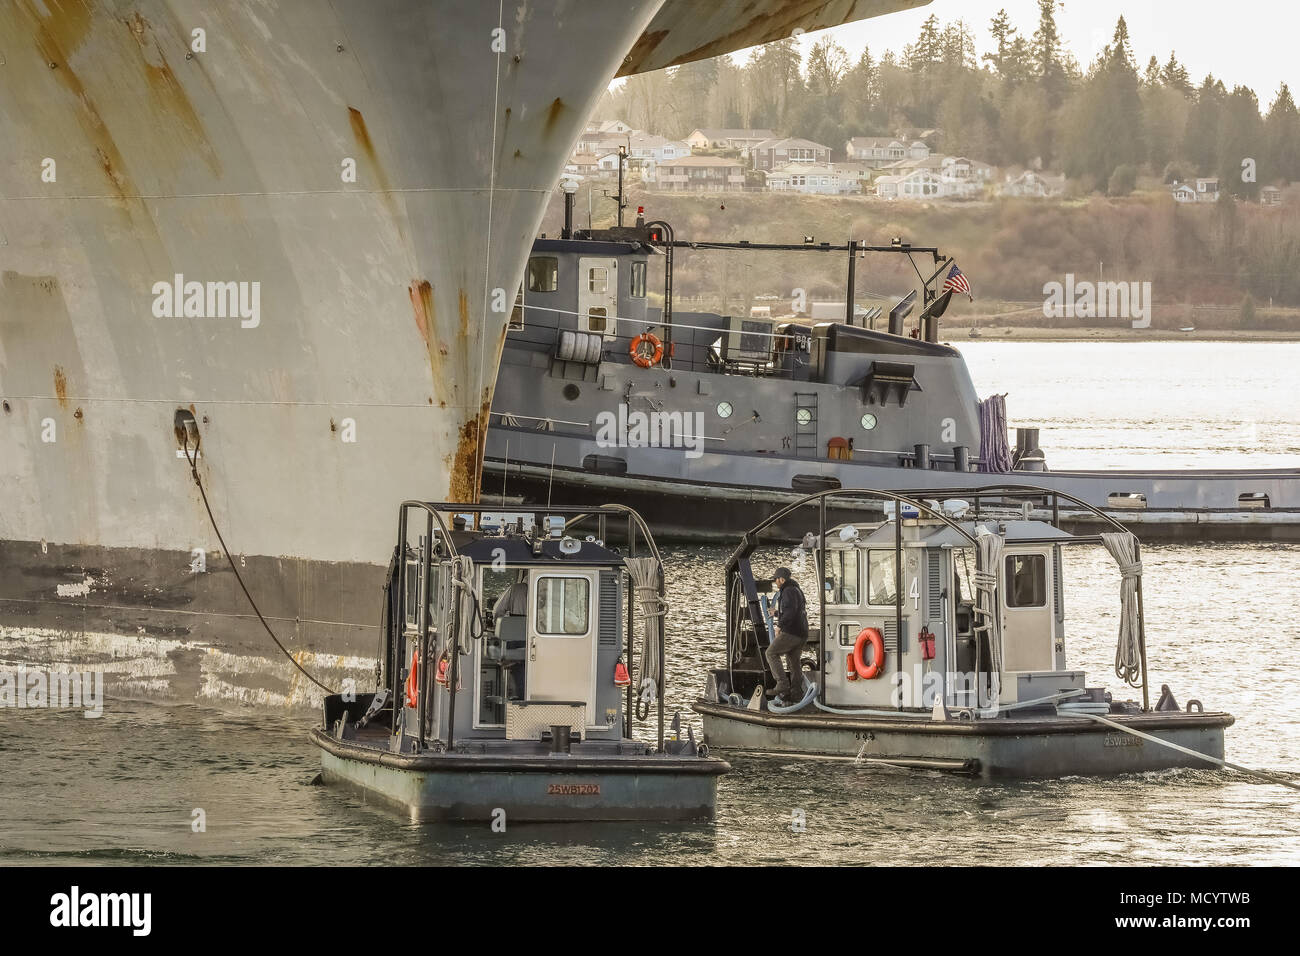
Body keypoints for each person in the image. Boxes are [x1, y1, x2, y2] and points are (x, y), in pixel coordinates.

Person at [765, 567, 809, 704]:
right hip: (802, 633)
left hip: (792, 632)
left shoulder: (788, 591)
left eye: (776, 580)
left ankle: (782, 683)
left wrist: (779, 626)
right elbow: (794, 611)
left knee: (771, 653)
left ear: (781, 579)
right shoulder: (796, 590)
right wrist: (777, 614)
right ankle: (796, 694)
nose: (775, 583)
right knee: (793, 662)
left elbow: (790, 613)